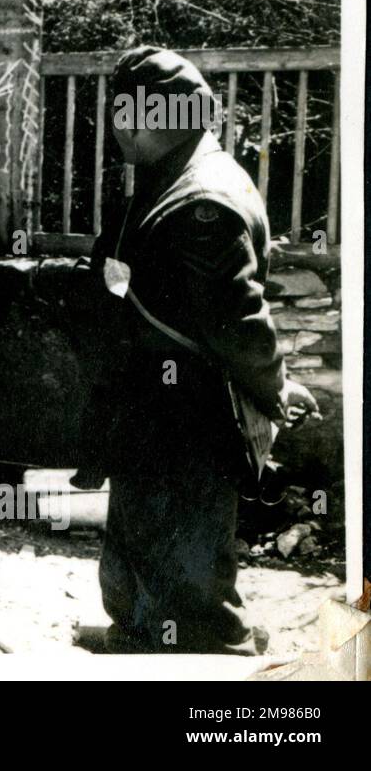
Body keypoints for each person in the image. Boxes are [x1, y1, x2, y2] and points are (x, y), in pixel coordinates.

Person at [84, 46, 319, 654]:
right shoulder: (173, 173)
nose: (114, 124)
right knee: (143, 525)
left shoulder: (203, 199)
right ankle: (137, 628)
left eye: (124, 111)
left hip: (185, 405)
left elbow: (237, 320)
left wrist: (274, 386)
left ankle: (210, 643)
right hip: (151, 398)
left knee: (183, 535)